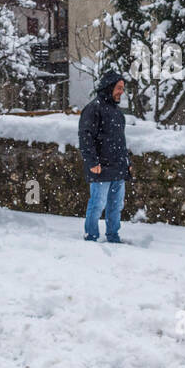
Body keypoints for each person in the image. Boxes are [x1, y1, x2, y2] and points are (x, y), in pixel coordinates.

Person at [78, 70, 131, 243]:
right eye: (119, 88)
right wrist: (92, 162)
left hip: (117, 167)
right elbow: (86, 137)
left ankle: (113, 235)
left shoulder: (117, 112)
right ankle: (91, 235)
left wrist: (126, 162)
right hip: (100, 167)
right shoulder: (94, 108)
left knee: (116, 207)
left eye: (122, 88)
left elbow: (120, 140)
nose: (121, 92)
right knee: (97, 204)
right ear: (109, 87)